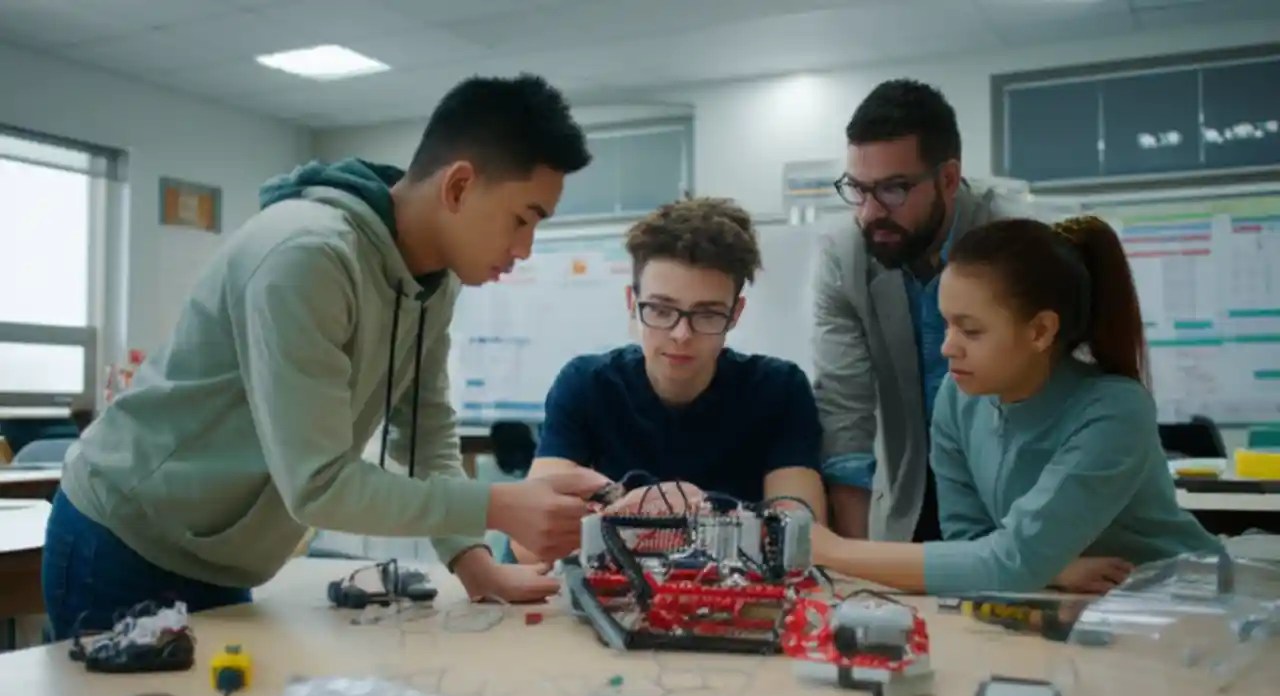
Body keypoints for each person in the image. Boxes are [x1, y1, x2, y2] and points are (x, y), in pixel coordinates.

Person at [41, 73, 613, 640]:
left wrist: (473, 561)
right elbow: (320, 484)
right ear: (459, 187)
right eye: (523, 218)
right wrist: (495, 505)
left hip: (221, 559)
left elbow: (424, 435)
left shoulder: (433, 283)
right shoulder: (307, 255)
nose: (524, 249)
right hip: (123, 540)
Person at [828, 215, 1224, 594]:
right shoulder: (957, 398)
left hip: (1182, 602)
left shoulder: (1115, 410)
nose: (948, 346)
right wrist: (1051, 569)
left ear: (1040, 331)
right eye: (946, 324)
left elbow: (1009, 562)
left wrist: (834, 550)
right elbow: (972, 541)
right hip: (1073, 605)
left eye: (970, 330)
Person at [506, 197, 846, 565]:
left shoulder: (779, 390)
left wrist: (622, 519)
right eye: (661, 310)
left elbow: (799, 538)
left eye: (707, 314)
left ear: (735, 314)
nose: (681, 334)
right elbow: (528, 543)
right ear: (631, 303)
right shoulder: (587, 384)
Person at [813, 78, 1020, 542]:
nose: (869, 213)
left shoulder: (1018, 242)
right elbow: (845, 412)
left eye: (892, 190)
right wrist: (856, 566)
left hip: (1019, 505)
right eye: (858, 189)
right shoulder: (845, 256)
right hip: (911, 503)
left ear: (948, 179)